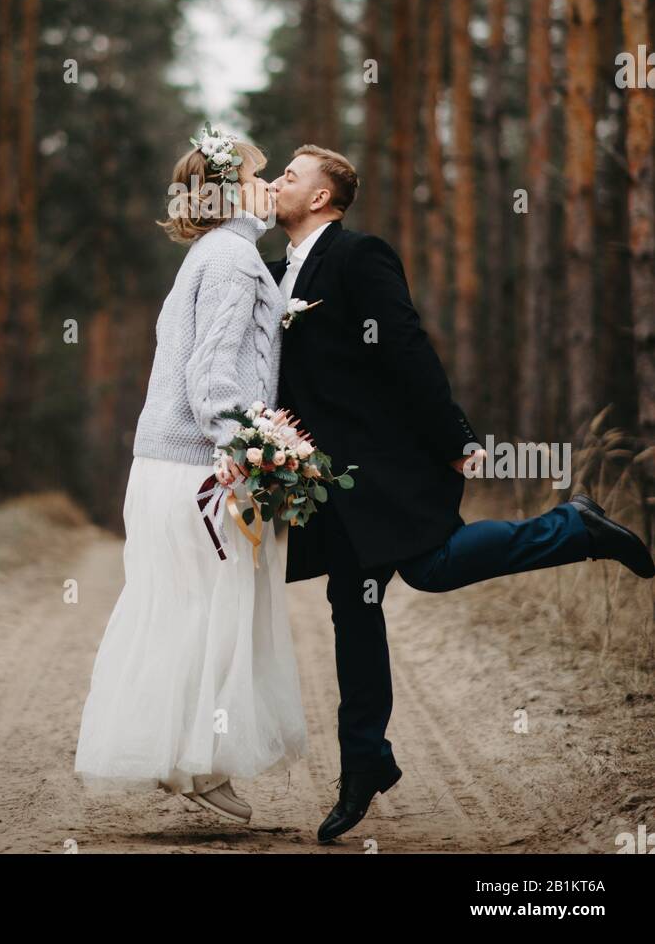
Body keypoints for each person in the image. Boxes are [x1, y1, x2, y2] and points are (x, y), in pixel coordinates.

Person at [268, 143, 655, 845]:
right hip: (328, 478)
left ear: (323, 197)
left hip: (390, 462)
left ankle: (576, 527)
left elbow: (407, 345)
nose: (275, 183)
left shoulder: (359, 256)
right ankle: (365, 764)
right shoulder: (273, 273)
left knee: (432, 567)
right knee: (353, 611)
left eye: (289, 175)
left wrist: (455, 436)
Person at [74, 127, 308, 823]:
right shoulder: (234, 258)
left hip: (165, 467)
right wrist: (246, 448)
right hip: (198, 472)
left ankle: (189, 762)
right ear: (234, 188)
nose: (270, 186)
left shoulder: (217, 251)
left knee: (181, 610)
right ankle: (198, 767)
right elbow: (212, 375)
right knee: (211, 615)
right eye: (262, 174)